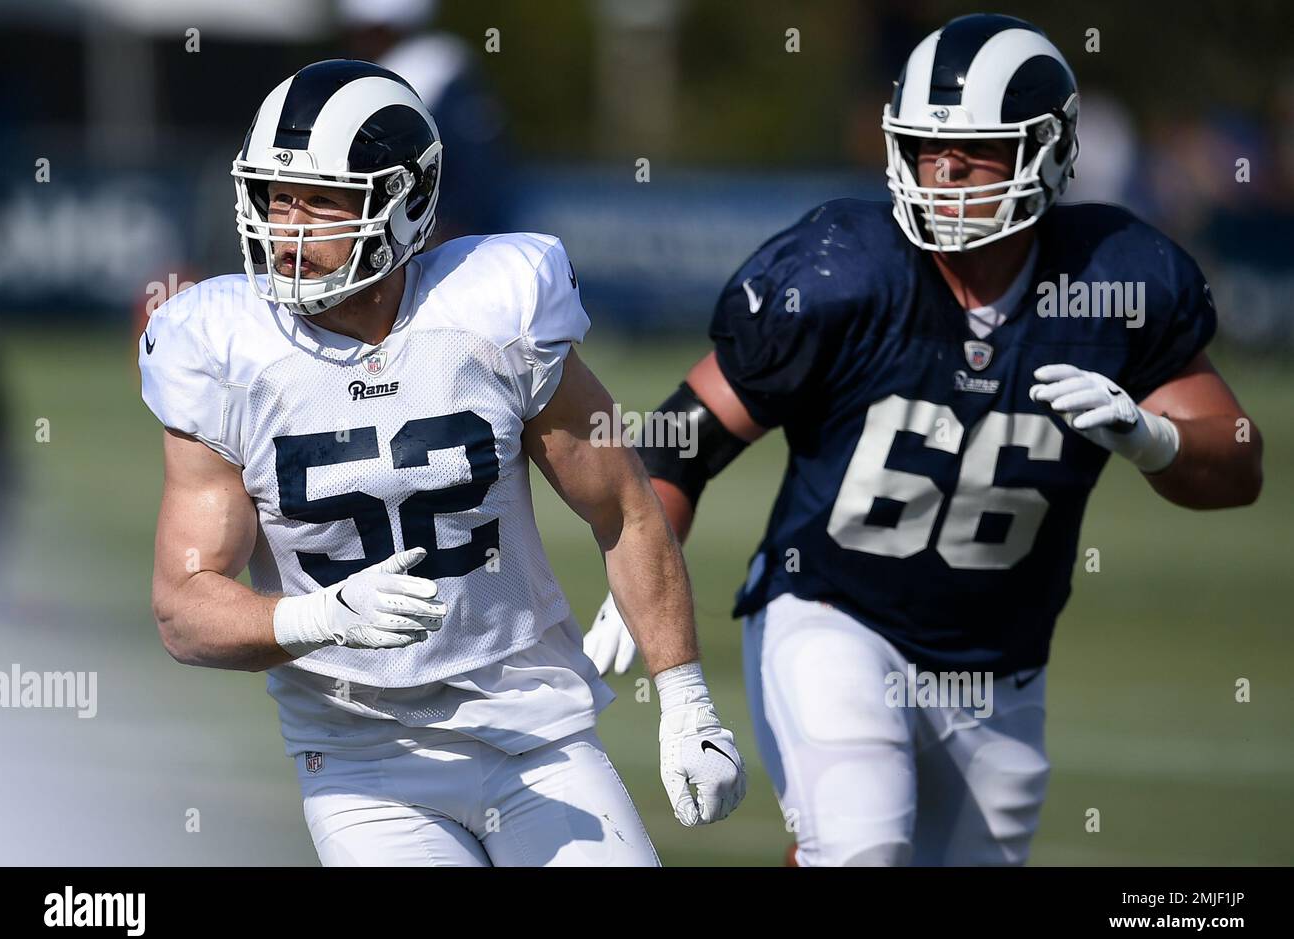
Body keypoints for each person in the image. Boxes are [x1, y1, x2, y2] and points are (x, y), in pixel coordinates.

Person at [582, 14, 1263, 866]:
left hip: (1001, 664)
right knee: (860, 847)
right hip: (833, 614)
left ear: (1045, 151)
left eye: (974, 151)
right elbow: (683, 436)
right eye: (924, 148)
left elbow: (1238, 463)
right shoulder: (844, 269)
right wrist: (649, 555)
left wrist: (1153, 436)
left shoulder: (1114, 277)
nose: (943, 173)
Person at [139, 59, 745, 867]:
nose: (286, 226)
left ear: (406, 200)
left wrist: (686, 700)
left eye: (321, 199)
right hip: (361, 760)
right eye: (274, 197)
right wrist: (319, 617)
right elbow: (184, 607)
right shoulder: (220, 351)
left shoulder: (494, 310)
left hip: (533, 730)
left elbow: (624, 508)